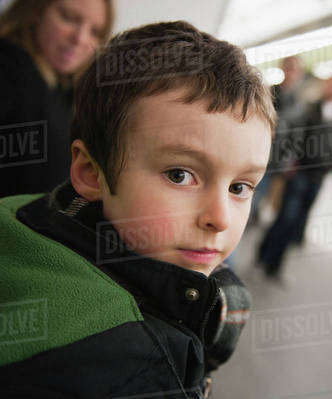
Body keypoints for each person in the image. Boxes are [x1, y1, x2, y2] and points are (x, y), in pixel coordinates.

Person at [0, 21, 276, 398]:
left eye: (240, 187)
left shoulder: (22, 217)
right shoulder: (137, 360)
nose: (220, 218)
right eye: (180, 175)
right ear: (91, 172)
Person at [0, 0, 113, 197]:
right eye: (69, 18)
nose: (80, 38)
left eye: (95, 32)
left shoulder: (68, 94)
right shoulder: (9, 66)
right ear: (36, 11)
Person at [257, 73, 332, 281]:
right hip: (298, 173)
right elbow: (289, 134)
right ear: (326, 86)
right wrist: (287, 162)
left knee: (298, 222)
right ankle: (272, 264)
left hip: (318, 180)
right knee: (287, 217)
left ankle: (265, 254)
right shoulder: (308, 109)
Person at [249, 55, 306, 225]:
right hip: (254, 155)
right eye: (288, 68)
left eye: (295, 69)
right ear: (282, 69)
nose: (291, 73)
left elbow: (297, 137)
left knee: (256, 199)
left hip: (273, 164)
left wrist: (287, 161)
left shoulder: (299, 106)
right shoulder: (267, 93)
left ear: (300, 74)